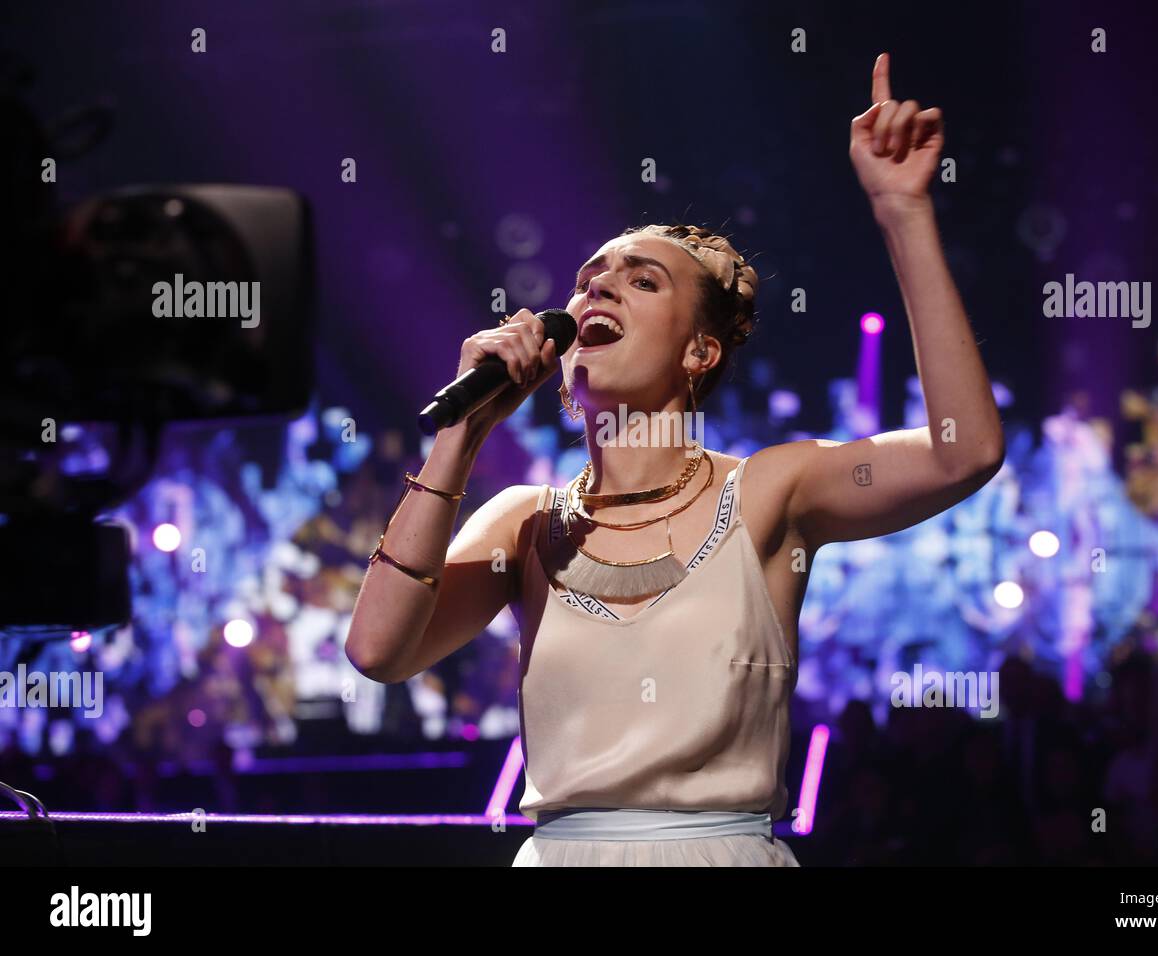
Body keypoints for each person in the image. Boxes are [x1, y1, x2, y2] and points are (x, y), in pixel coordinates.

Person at [345, 52, 1005, 866]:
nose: (598, 291)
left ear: (699, 350)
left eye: (641, 280)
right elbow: (379, 651)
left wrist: (904, 213)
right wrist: (462, 435)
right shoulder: (524, 523)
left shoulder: (771, 491)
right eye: (589, 282)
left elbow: (963, 452)